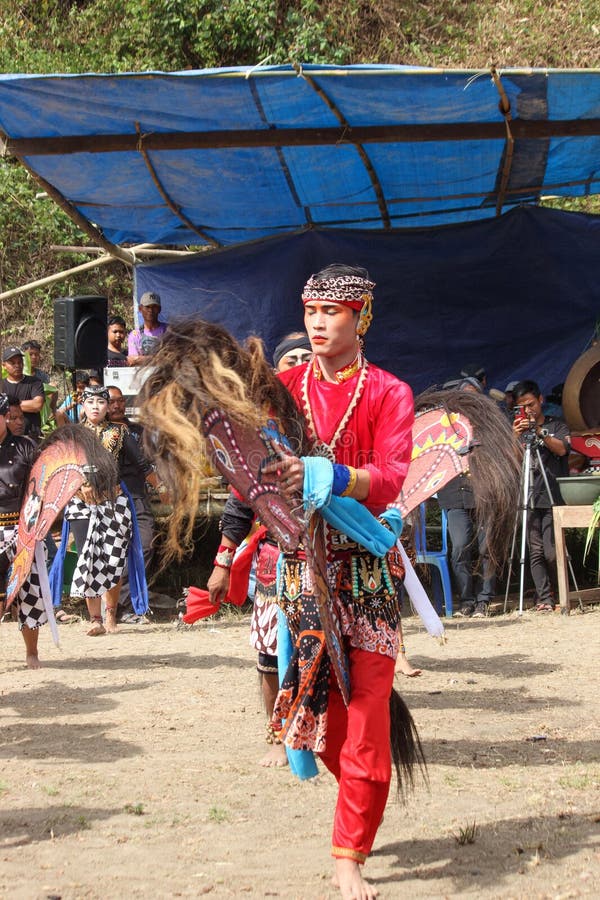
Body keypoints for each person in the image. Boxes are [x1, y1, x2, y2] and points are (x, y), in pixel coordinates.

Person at [264, 264, 417, 898]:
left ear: (362, 318)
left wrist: (328, 476)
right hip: (304, 574)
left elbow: (391, 476)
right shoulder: (280, 388)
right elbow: (253, 459)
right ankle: (359, 801)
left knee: (366, 718)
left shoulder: (389, 392)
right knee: (319, 718)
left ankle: (347, 856)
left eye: (334, 311)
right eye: (311, 311)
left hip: (365, 578)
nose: (320, 322)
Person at [208, 331, 315, 768]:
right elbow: (240, 500)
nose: (301, 363)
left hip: (328, 550)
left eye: (308, 356)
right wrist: (222, 561)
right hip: (275, 553)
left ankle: (318, 730)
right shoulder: (260, 425)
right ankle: (276, 734)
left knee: (326, 648)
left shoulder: (330, 416)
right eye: (292, 358)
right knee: (271, 651)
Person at [63, 386, 135, 635]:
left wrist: (160, 485)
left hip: (113, 502)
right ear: (82, 405)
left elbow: (140, 463)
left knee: (113, 561)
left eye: (100, 402)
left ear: (108, 406)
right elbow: (63, 468)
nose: (95, 406)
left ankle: (110, 615)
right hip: (81, 504)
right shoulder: (72, 435)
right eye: (90, 401)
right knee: (88, 558)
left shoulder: (120, 432)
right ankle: (95, 618)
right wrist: (79, 486)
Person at [438, 377, 496, 619]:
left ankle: (485, 599)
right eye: (464, 397)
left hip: (484, 494)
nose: (469, 401)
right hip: (454, 495)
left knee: (486, 547)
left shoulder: (490, 426)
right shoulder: (445, 426)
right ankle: (466, 600)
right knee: (460, 547)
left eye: (473, 396)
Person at [512, 379, 570, 612]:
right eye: (522, 406)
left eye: (531, 404)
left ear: (540, 400)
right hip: (529, 495)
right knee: (534, 551)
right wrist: (514, 437)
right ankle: (544, 598)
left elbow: (562, 449)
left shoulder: (557, 425)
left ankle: (562, 592)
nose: (528, 410)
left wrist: (538, 430)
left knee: (551, 551)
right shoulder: (518, 431)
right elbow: (512, 462)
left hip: (553, 495)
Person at [0, 392, 47, 668]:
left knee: (30, 594)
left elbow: (41, 486)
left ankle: (32, 652)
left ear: (5, 417)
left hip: (21, 531)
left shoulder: (25, 447)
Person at [107, 384, 159, 624]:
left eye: (119, 401)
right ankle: (121, 607)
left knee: (145, 546)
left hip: (138, 495)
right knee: (115, 552)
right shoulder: (100, 433)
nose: (116, 405)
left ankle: (126, 602)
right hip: (110, 497)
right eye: (111, 401)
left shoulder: (138, 430)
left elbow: (151, 459)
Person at [2, 346, 44, 441]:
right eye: (12, 363)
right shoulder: (1, 385)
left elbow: (37, 405)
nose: (17, 365)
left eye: (20, 362)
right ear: (4, 365)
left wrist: (7, 405)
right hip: (6, 439)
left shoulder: (34, 382)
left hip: (31, 437)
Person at [127, 291, 168, 365]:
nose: (150, 310)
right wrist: (159, 359)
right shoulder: (135, 335)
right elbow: (132, 361)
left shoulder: (169, 330)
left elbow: (172, 359)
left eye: (154, 307)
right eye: (147, 307)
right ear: (140, 308)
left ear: (159, 309)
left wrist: (141, 359)